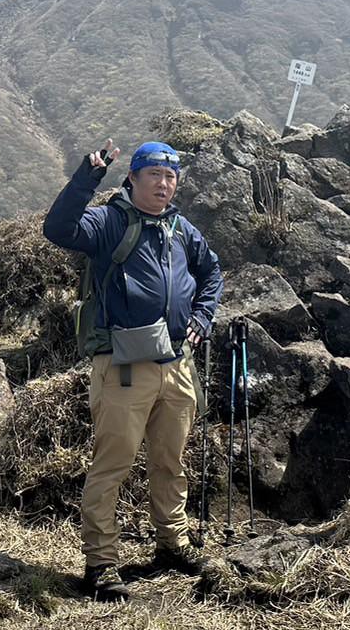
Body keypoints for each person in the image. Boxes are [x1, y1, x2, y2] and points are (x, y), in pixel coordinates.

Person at [42, 137, 223, 600]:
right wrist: (88, 174)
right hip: (123, 365)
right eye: (154, 176)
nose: (164, 184)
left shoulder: (183, 230)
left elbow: (212, 274)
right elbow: (59, 228)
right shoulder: (109, 221)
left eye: (170, 177)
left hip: (177, 364)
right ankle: (101, 563)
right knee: (113, 466)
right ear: (133, 179)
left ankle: (173, 543)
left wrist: (202, 317)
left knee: (170, 460)